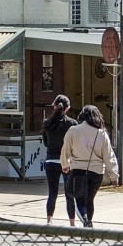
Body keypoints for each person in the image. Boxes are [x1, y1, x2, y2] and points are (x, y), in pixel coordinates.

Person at [60, 104, 117, 228]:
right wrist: (114, 175)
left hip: (78, 171)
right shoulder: (101, 133)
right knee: (89, 199)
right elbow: (109, 155)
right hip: (97, 172)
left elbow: (65, 150)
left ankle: (86, 221)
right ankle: (88, 224)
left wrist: (65, 164)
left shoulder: (73, 130)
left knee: (79, 199)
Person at [41, 95, 78, 226]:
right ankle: (72, 223)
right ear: (68, 108)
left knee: (52, 193)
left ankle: (49, 221)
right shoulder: (72, 124)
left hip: (50, 160)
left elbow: (46, 143)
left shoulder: (47, 123)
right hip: (67, 162)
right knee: (69, 194)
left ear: (54, 106)